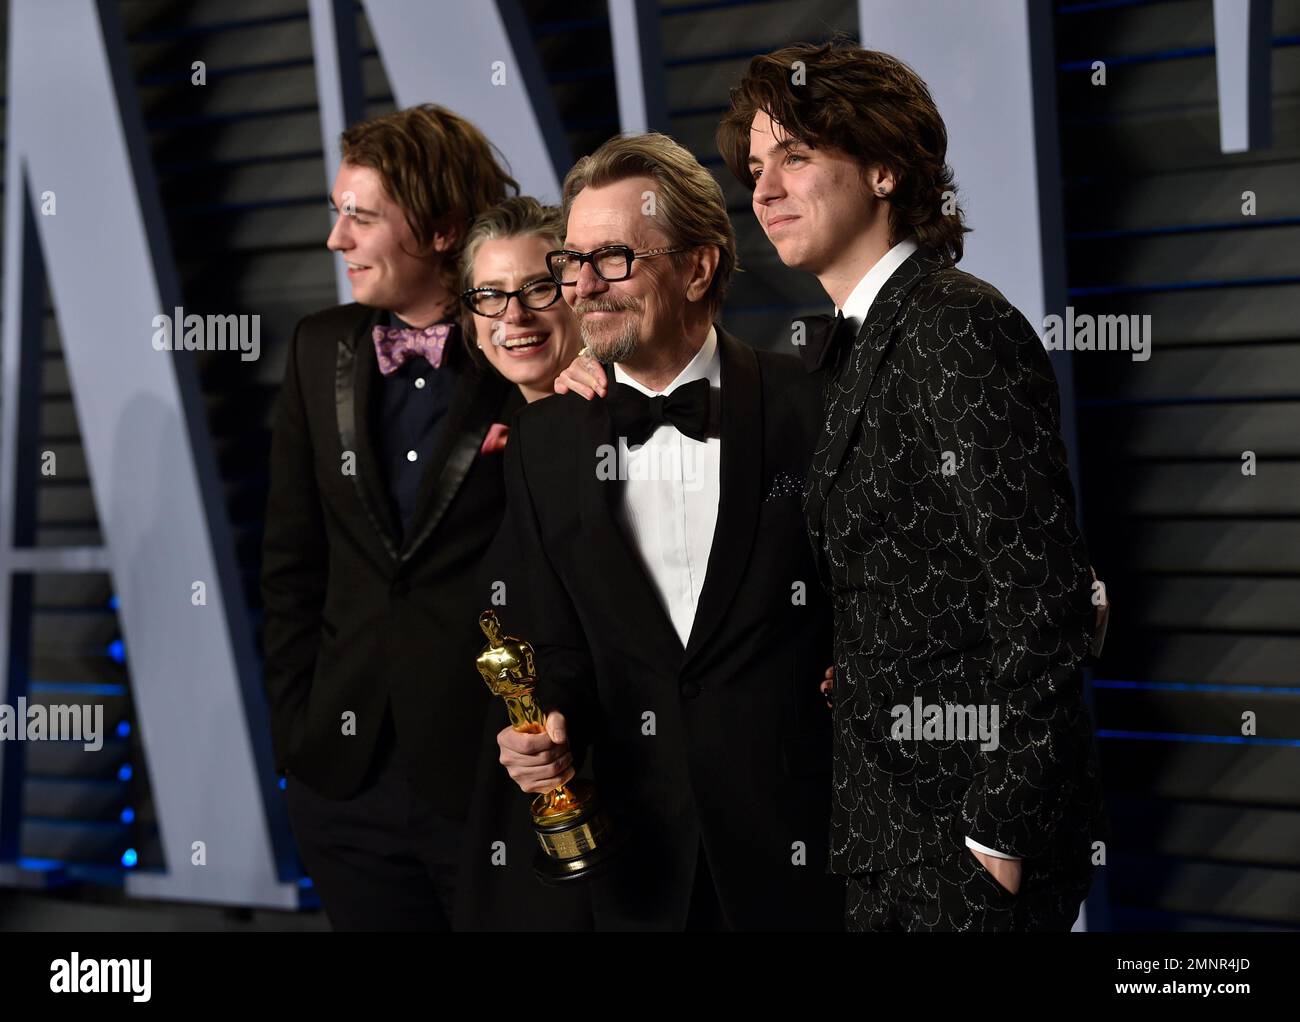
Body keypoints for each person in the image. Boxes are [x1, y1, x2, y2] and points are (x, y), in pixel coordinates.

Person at [557, 42, 1108, 932]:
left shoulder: (954, 326)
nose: (764, 190)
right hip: (880, 830)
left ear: (885, 168)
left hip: (961, 845)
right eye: (756, 166)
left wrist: (995, 840)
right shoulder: (843, 351)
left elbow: (1044, 601)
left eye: (798, 157)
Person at [493, 133, 843, 931]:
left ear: (698, 266)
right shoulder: (544, 444)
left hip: (809, 857)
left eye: (613, 259)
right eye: (570, 262)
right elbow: (557, 644)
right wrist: (543, 724)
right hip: (638, 869)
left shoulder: (814, 406)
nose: (581, 286)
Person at [260, 103, 521, 930]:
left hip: (491, 779)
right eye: (338, 213)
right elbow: (290, 562)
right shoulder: (318, 347)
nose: (337, 240)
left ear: (444, 229)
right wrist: (297, 728)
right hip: (343, 779)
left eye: (361, 217)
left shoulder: (528, 347)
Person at [448, 196, 592, 931]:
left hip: (607, 780)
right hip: (506, 780)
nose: (516, 314)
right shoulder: (483, 440)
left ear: (579, 288)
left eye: (539, 287)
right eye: (490, 295)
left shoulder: (624, 421)